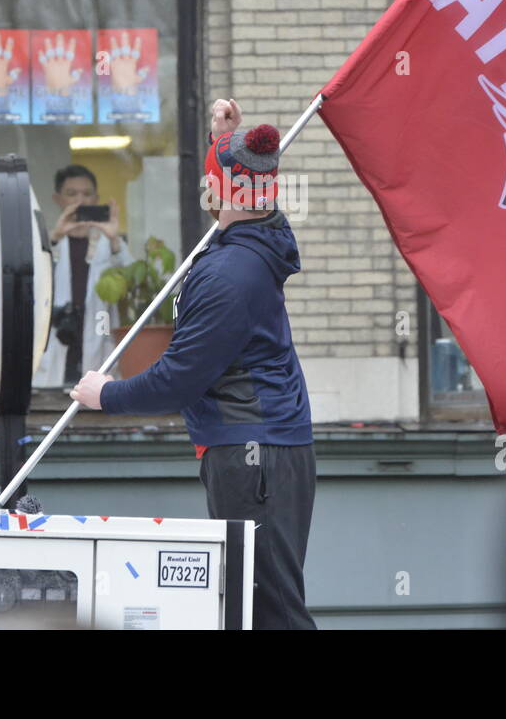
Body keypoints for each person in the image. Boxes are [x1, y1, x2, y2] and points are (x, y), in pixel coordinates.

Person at [69, 98, 317, 630]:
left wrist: (106, 394)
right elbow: (238, 193)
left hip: (251, 455)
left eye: (210, 179)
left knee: (270, 613)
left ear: (219, 189)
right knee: (252, 608)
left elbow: (179, 378)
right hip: (265, 448)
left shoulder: (228, 275)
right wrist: (223, 144)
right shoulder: (260, 235)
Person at [33, 165, 129, 387]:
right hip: (56, 344)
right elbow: (32, 278)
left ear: (96, 199)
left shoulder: (108, 242)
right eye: (72, 194)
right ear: (58, 199)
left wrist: (114, 239)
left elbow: (133, 281)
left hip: (97, 342)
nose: (80, 200)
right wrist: (55, 237)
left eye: (87, 194)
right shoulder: (47, 242)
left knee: (92, 392)